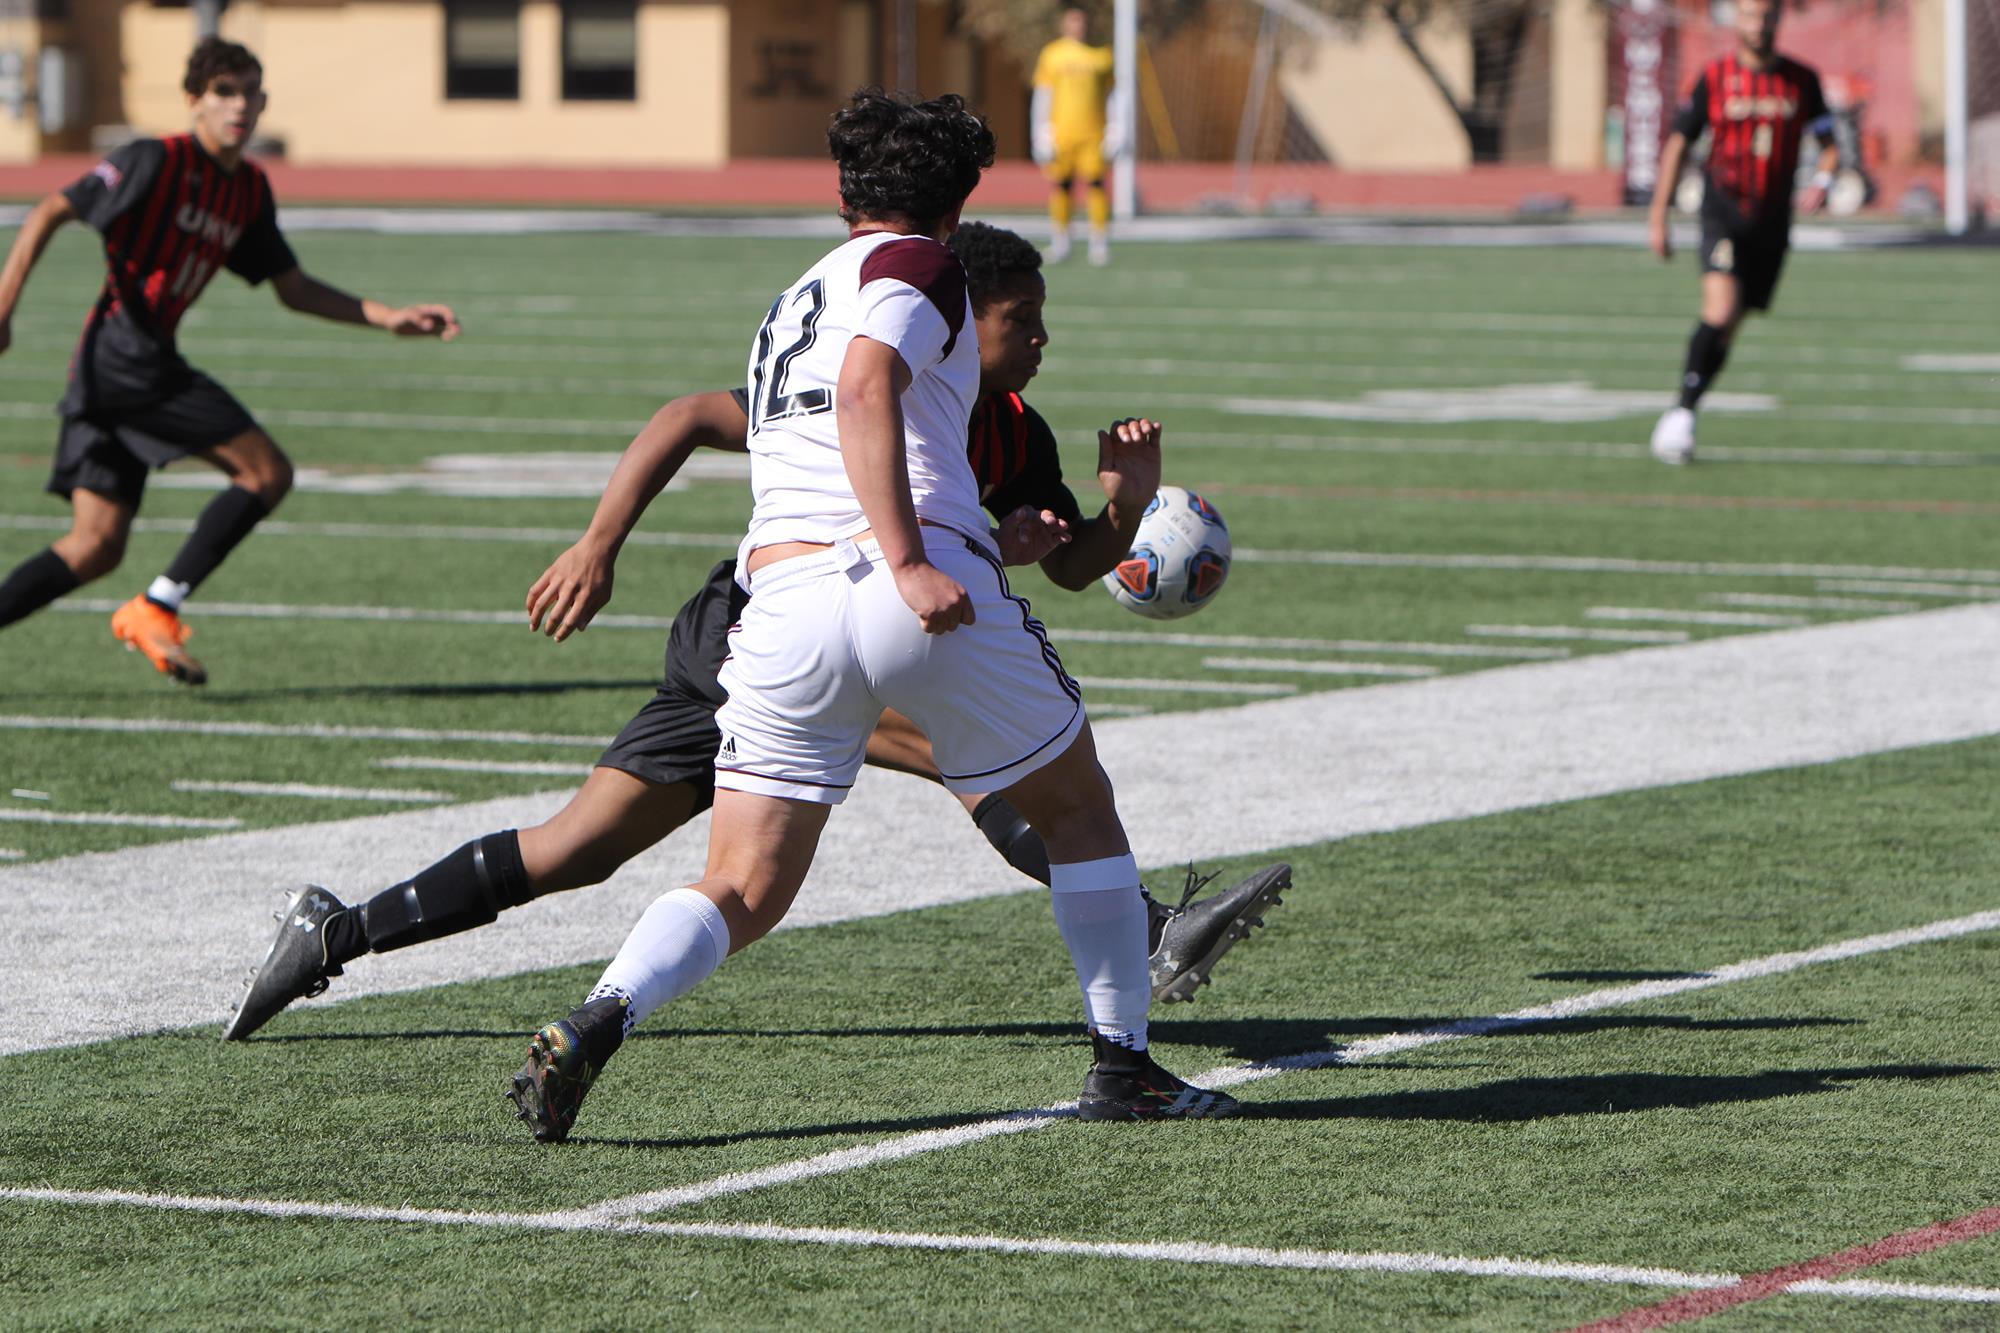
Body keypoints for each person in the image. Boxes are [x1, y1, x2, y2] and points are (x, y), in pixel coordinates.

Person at [223, 217, 1289, 1045]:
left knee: (571, 852)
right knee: (975, 765)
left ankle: (334, 930)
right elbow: (689, 413)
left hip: (819, 640)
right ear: (968, 318)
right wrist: (598, 545)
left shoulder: (1013, 429)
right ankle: (1147, 928)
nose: (1044, 341)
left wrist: (1112, 508)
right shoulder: (874, 380)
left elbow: (1065, 565)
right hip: (761, 631)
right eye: (1025, 321)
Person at [495, 89, 1250, 1142]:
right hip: (903, 580)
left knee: (742, 884)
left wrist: (1106, 507)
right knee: (1077, 813)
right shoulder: (925, 264)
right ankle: (1124, 1068)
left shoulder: (790, 299)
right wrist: (904, 559)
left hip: (778, 604)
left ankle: (601, 1012)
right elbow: (865, 390)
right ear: (954, 206)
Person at [0, 38, 461, 681]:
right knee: (266, 472)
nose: (239, 105)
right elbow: (52, 209)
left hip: (116, 372)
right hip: (127, 362)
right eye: (223, 91)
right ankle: (158, 606)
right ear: (193, 101)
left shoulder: (246, 190)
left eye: (249, 91)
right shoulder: (153, 161)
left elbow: (293, 289)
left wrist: (387, 316)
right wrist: (2, 306)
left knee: (94, 547)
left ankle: (142, 609)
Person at [1646, 0, 1836, 465]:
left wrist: (1822, 181)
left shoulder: (1802, 80)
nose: (1758, 24)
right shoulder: (1715, 77)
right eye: (1750, 15)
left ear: (1778, 19)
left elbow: (1829, 145)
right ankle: (1681, 416)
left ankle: (1685, 407)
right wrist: (1658, 214)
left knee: (1732, 324)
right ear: (1738, 20)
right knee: (1721, 307)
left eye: (1766, 15)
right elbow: (1677, 144)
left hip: (1772, 223)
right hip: (1723, 212)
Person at [1031, 7, 1120, 266]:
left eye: (1082, 21)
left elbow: (1113, 94)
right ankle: (1061, 242)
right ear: (1064, 24)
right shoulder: (1053, 54)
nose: (1078, 26)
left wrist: (1115, 128)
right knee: (1062, 185)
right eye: (1073, 21)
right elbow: (1043, 93)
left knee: (1096, 184)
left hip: (1093, 133)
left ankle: (1099, 243)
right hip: (1063, 133)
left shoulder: (1102, 54)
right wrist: (1041, 130)